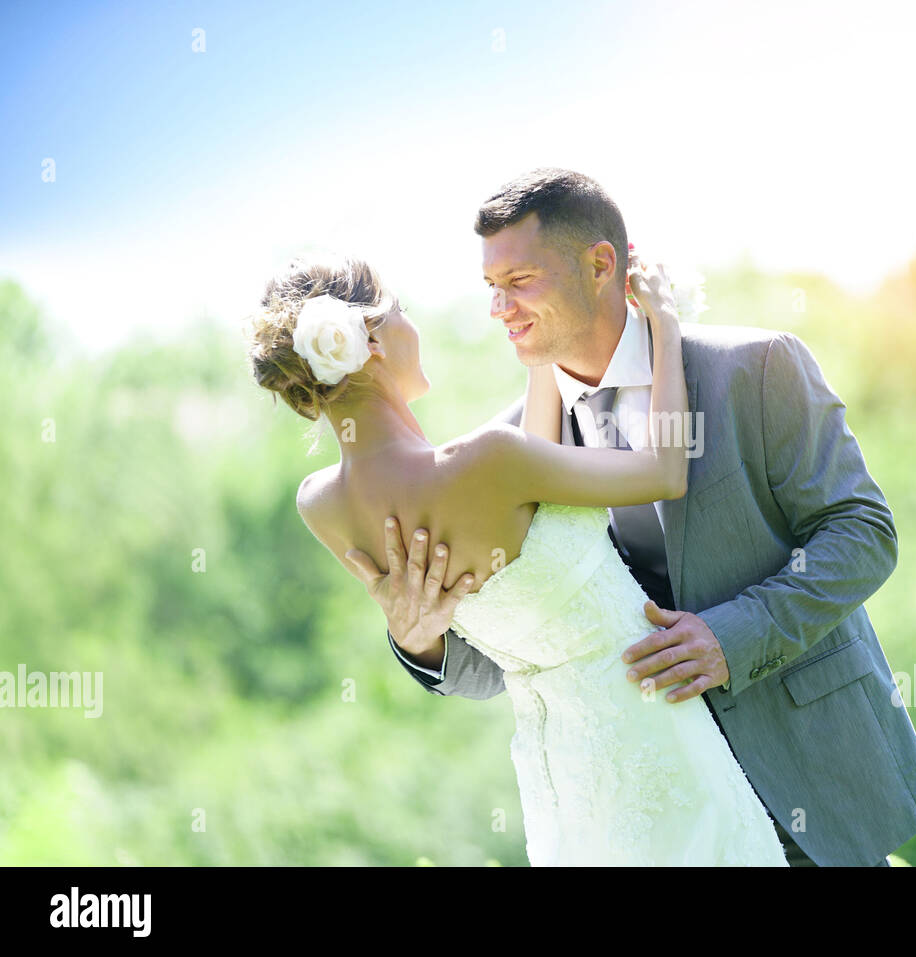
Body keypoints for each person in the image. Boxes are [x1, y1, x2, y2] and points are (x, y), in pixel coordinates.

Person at [356, 168, 916, 866]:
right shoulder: (509, 452)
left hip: (806, 782)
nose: (499, 308)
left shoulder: (754, 368)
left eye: (519, 281)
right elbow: (506, 660)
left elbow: (862, 534)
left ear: (601, 264)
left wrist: (732, 636)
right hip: (657, 821)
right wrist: (419, 639)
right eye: (491, 287)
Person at [246, 247, 788, 865]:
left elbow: (521, 485)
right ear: (370, 339)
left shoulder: (321, 504)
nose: (413, 327)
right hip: (659, 736)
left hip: (563, 776)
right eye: (403, 312)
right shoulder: (491, 462)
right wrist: (663, 322)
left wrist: (540, 354)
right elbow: (664, 470)